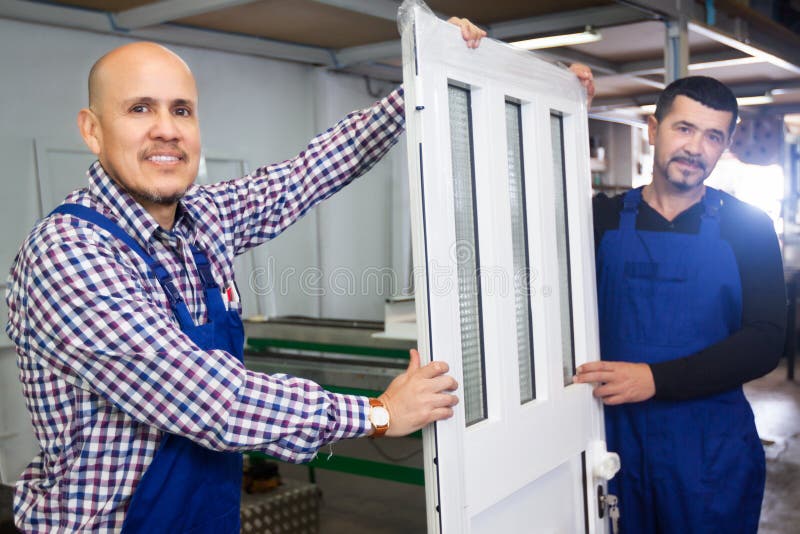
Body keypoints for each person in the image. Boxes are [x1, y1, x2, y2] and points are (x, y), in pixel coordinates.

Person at [5, 18, 486, 532]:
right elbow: (211, 400)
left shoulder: (202, 218)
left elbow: (306, 175)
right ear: (92, 130)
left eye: (181, 110)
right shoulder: (68, 253)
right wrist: (379, 413)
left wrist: (422, 81)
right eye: (140, 108)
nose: (166, 128)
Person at [574, 76, 786, 533]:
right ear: (653, 130)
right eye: (684, 129)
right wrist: (562, 98)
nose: (696, 148)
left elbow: (767, 339)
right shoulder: (600, 219)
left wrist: (655, 379)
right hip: (612, 442)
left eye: (713, 136)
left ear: (726, 144)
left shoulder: (748, 228)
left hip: (710, 451)